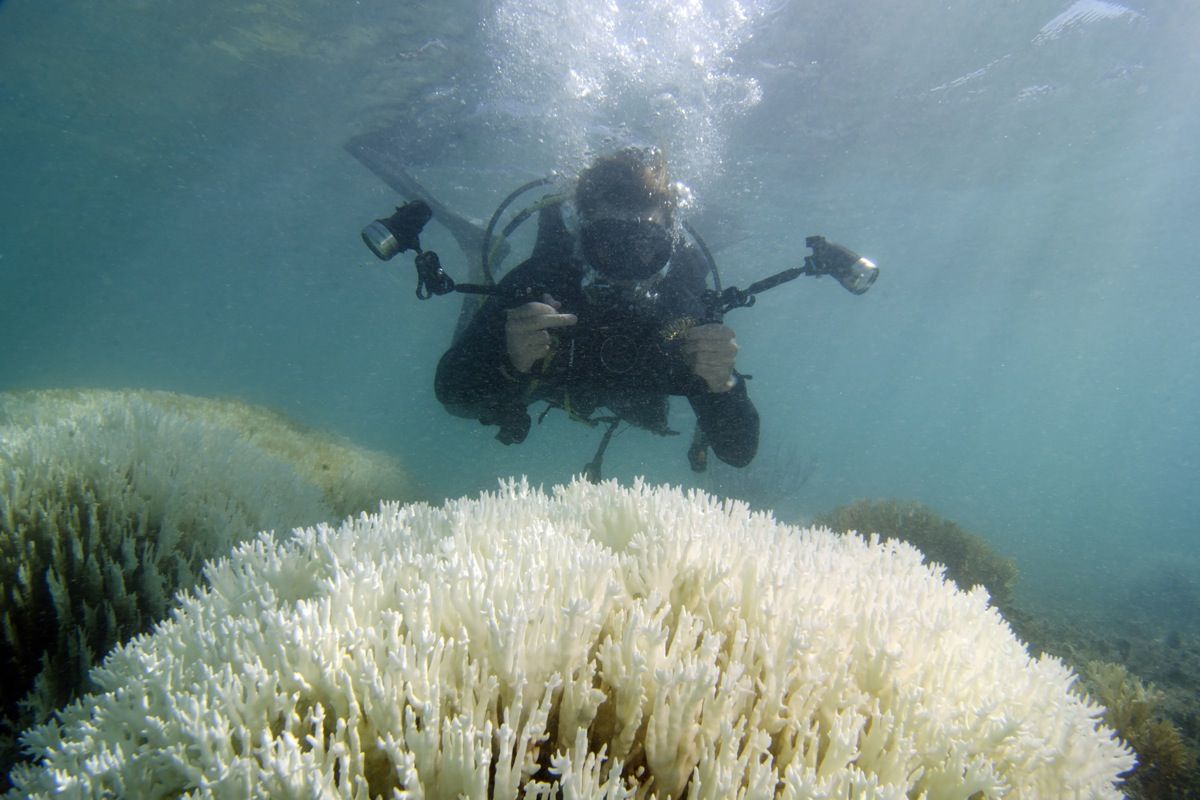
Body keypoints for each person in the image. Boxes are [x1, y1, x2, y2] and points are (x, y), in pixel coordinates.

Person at [435, 147, 759, 472]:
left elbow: (738, 451)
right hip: (554, 386)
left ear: (669, 244)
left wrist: (723, 383)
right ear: (580, 237)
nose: (624, 269)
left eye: (645, 246)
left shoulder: (682, 310)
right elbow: (454, 399)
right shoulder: (540, 285)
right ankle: (477, 264)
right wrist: (509, 361)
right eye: (607, 245)